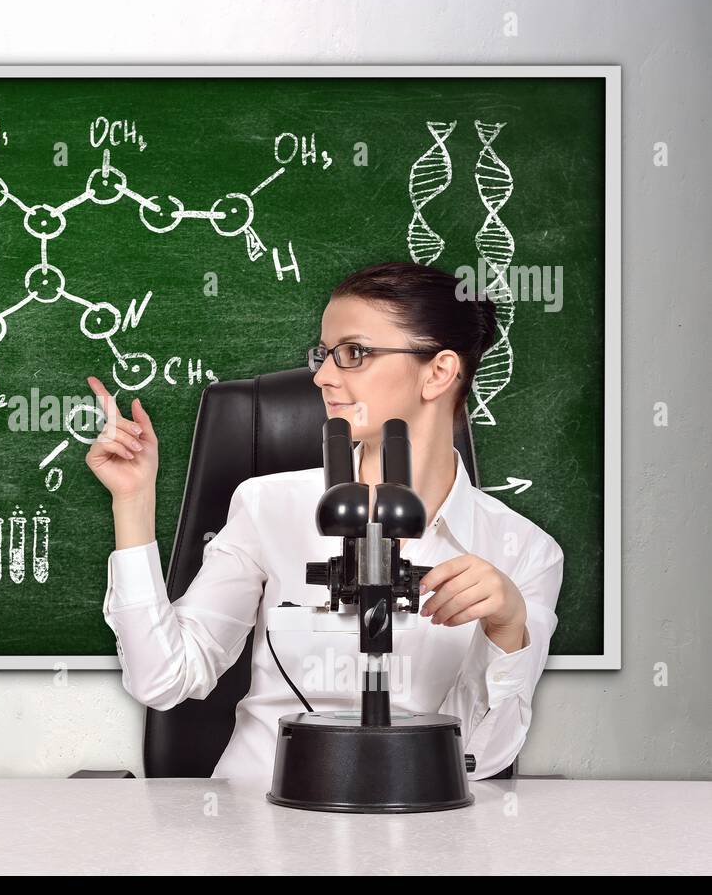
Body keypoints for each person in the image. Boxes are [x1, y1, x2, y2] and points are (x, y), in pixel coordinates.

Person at [86, 261, 565, 782]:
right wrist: (132, 504)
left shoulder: (523, 552)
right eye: (325, 354)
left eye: (353, 354)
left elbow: (482, 760)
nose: (322, 376)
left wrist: (508, 628)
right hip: (259, 816)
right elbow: (164, 679)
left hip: (414, 827)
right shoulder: (267, 505)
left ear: (439, 372)